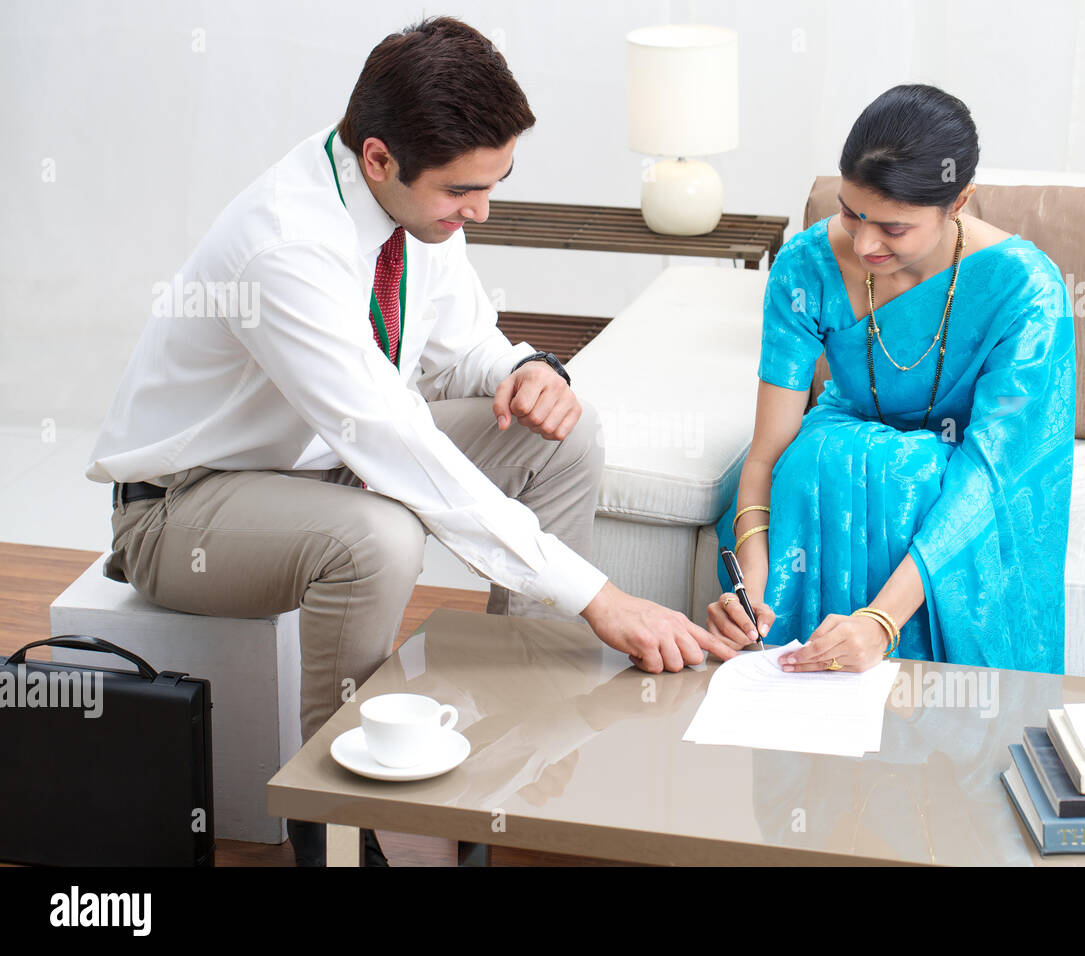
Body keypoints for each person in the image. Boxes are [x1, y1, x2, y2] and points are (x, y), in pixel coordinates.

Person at [85, 16, 741, 866]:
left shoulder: (411, 214)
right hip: (185, 510)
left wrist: (526, 367)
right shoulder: (285, 247)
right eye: (462, 193)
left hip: (325, 472)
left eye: (496, 183)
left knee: (564, 440)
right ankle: (342, 823)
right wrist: (600, 598)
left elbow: (458, 338)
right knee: (378, 537)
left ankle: (521, 746)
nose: (481, 210)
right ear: (379, 159)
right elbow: (396, 445)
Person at [708, 84, 1076, 678]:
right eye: (851, 213)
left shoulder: (1025, 290)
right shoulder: (806, 266)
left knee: (917, 479)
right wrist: (751, 576)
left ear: (958, 203)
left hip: (972, 474)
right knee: (811, 461)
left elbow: (993, 473)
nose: (864, 242)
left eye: (893, 228)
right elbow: (765, 456)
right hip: (846, 434)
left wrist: (879, 621)